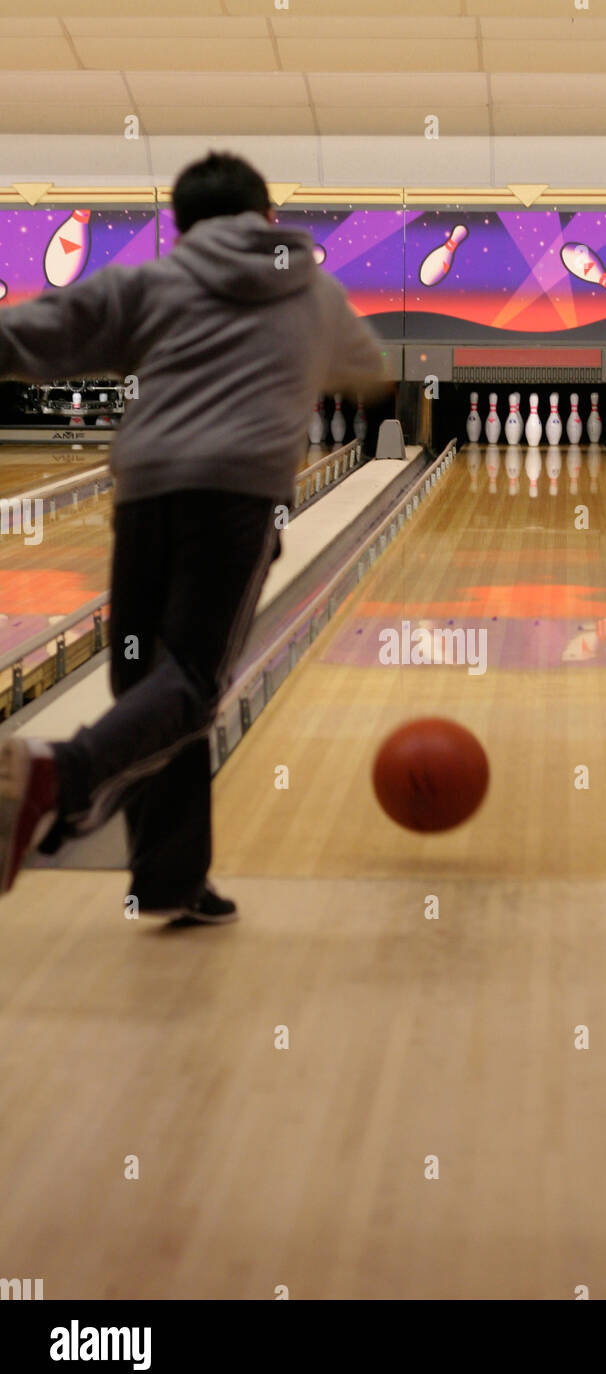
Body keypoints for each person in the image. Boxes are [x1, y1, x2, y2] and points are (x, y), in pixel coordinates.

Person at [0, 151, 387, 922]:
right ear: (269, 218)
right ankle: (55, 776)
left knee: (147, 681)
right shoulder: (316, 291)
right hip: (238, 495)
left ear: (180, 226)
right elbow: (372, 374)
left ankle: (169, 880)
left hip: (146, 490)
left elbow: (30, 338)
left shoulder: (151, 281)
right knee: (192, 684)